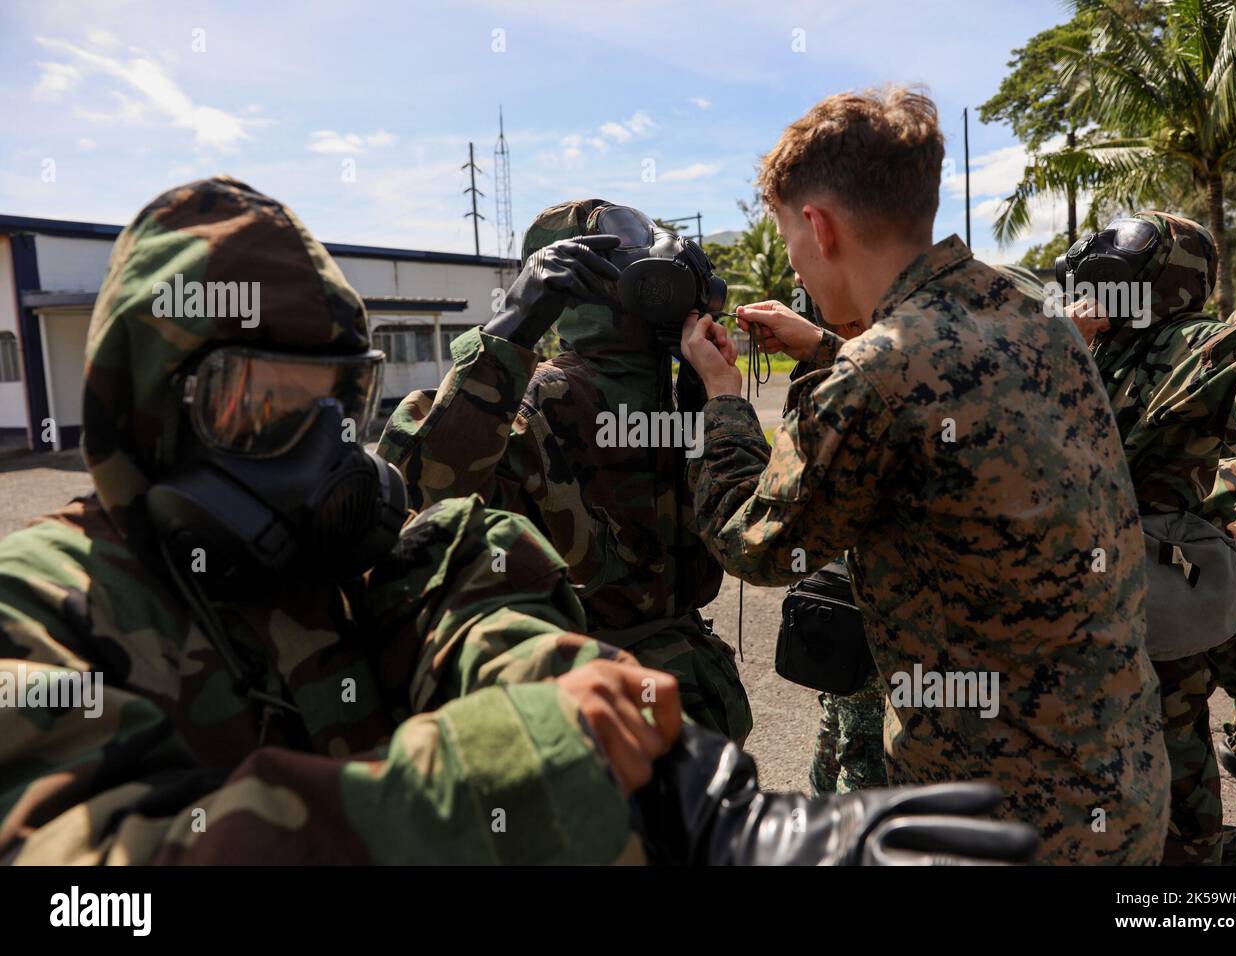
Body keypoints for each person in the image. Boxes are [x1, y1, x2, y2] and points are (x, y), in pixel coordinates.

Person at [2, 176, 1038, 866]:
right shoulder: (42, 604)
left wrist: (676, 788)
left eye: (330, 401)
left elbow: (494, 621)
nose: (316, 448)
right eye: (254, 401)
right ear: (140, 407)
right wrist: (545, 768)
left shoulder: (379, 554)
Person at [678, 86, 1170, 864]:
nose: (796, 263)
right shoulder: (1030, 310)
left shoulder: (881, 372)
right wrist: (823, 349)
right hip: (1121, 784)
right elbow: (944, 399)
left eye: (788, 239)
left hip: (998, 820)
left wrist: (723, 400)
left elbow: (757, 543)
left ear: (819, 225)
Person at [377, 200, 751, 742]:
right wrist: (511, 330)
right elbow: (418, 500)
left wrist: (706, 403)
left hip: (697, 704)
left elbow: (733, 528)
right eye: (623, 243)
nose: (653, 252)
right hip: (587, 715)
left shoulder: (675, 391)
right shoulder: (530, 400)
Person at [1063, 213, 1236, 863]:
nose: (1101, 251)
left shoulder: (1196, 344)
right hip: (1069, 582)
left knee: (1171, 718)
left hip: (1145, 576)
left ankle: (1192, 852)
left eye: (1126, 240)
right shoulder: (1088, 335)